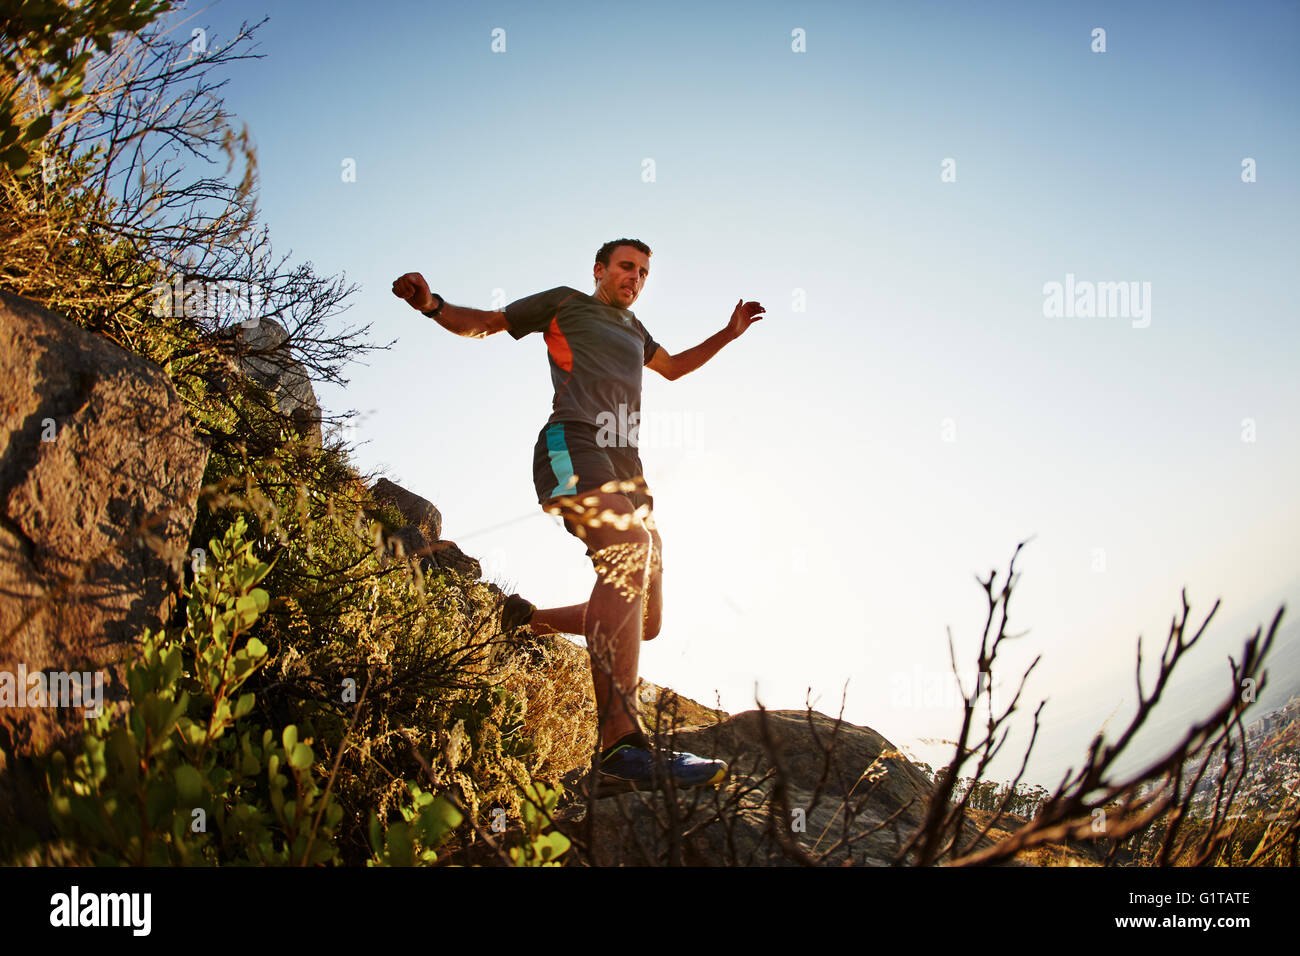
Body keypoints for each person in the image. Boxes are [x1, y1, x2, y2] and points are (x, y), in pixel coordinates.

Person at [392, 238, 764, 791]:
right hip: (574, 444)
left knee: (648, 618)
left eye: (642, 272)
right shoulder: (567, 303)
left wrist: (728, 335)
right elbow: (488, 322)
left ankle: (528, 620)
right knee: (628, 548)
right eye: (625, 268)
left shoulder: (638, 333)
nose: (634, 278)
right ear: (600, 270)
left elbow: (677, 368)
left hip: (629, 468)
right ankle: (620, 747)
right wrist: (433, 306)